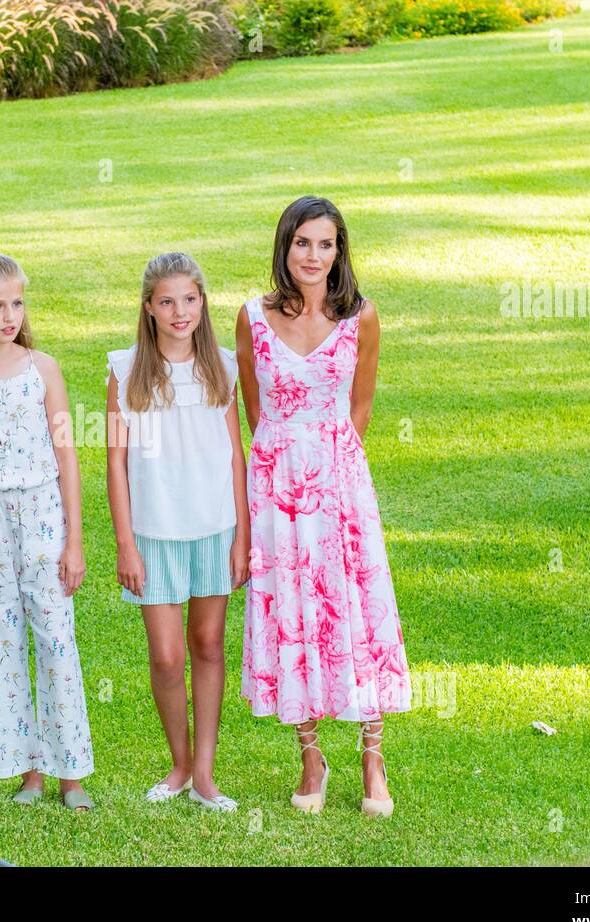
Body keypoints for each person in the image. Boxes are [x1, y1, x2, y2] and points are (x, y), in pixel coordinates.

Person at [235, 195, 412, 817]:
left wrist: (332, 462)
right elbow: (255, 406)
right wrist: (285, 460)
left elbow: (360, 406)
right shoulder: (251, 318)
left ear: (340, 251)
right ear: (285, 247)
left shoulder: (362, 316)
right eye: (302, 243)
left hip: (340, 483)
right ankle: (311, 756)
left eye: (326, 244)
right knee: (293, 613)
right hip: (278, 486)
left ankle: (372, 755)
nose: (314, 256)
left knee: (357, 613)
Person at [0, 253, 95, 810]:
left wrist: (73, 539)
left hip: (42, 516)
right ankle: (27, 769)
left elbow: (66, 454)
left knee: (55, 638)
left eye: (17, 303)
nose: (10, 315)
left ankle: (70, 773)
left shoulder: (42, 369)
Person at [106, 251, 250, 812]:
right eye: (166, 301)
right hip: (153, 531)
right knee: (167, 656)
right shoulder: (125, 370)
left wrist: (240, 535)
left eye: (189, 299)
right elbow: (115, 464)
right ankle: (180, 764)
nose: (179, 311)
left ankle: (206, 775)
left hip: (214, 525)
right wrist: (125, 543)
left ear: (202, 302)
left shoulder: (223, 366)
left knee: (209, 643)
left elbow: (236, 456)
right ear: (148, 308)